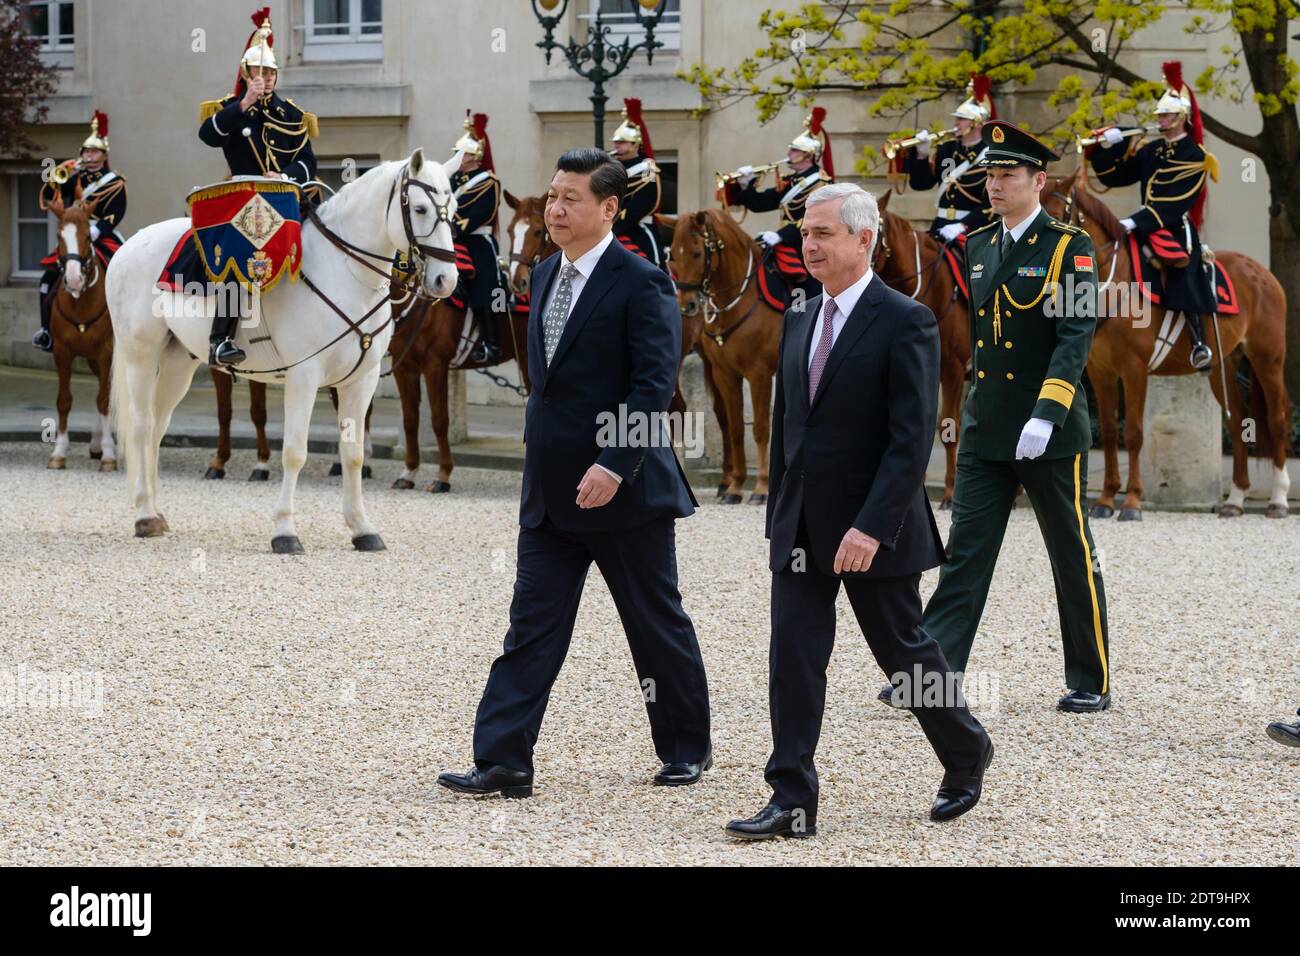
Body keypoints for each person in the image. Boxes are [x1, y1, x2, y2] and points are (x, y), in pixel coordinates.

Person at [437, 149, 711, 798]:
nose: (555, 209)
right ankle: (503, 760)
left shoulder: (641, 282)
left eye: (570, 199)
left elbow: (653, 386)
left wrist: (615, 464)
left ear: (609, 209)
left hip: (628, 493)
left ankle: (685, 749)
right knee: (529, 629)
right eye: (553, 195)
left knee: (654, 624)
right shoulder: (544, 273)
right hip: (550, 497)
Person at [724, 183, 994, 841]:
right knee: (793, 658)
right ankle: (790, 800)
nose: (807, 245)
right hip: (800, 530)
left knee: (904, 657)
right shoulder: (795, 317)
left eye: (822, 234)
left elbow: (911, 439)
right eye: (805, 234)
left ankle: (965, 752)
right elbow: (790, 429)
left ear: (863, 240)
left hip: (877, 528)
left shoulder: (906, 320)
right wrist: (778, 521)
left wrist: (871, 526)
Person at [879, 121, 1112, 714]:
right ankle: (931, 671)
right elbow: (982, 342)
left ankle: (1090, 677)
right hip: (988, 429)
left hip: (1048, 430)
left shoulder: (1070, 248)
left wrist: (1048, 411)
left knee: (1070, 550)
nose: (995, 185)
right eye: (989, 175)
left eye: (1008, 175)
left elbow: (1075, 336)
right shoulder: (979, 247)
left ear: (1038, 181)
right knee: (966, 551)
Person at [196, 7, 319, 367]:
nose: (263, 77)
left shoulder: (293, 116)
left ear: (277, 76)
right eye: (257, 71)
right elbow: (207, 136)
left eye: (269, 72)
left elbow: (307, 161)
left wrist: (286, 177)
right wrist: (245, 102)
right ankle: (220, 339)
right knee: (239, 251)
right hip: (244, 200)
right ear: (246, 73)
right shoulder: (229, 109)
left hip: (285, 197)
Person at [1086, 60, 1219, 371]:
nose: (1161, 118)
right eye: (1159, 114)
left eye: (1167, 114)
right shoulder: (1151, 150)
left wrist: (1137, 221)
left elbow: (1177, 202)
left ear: (1182, 117)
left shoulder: (1198, 157)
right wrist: (1108, 148)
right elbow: (1116, 177)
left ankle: (1199, 343)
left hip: (1172, 226)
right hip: (1144, 224)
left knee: (1181, 267)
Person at [33, 111, 127, 353]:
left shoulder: (115, 182)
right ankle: (45, 330)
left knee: (124, 272)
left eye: (94, 152)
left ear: (104, 155)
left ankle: (124, 328)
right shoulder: (72, 176)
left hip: (100, 233)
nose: (89, 155)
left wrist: (97, 230)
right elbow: (47, 195)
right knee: (46, 279)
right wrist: (56, 172)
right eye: (86, 152)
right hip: (73, 232)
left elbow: (117, 212)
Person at [726, 108, 834, 304]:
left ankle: (803, 316)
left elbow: (814, 221)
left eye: (794, 150)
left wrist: (781, 235)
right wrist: (746, 184)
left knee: (805, 280)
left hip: (808, 242)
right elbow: (761, 204)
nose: (788, 154)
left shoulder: (821, 184)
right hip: (787, 240)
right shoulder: (791, 181)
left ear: (808, 155)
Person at [899, 73, 995, 247]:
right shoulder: (947, 149)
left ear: (978, 123)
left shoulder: (991, 156)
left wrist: (963, 225)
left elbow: (992, 205)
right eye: (956, 118)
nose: (956, 123)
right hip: (940, 227)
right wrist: (921, 154)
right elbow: (921, 184)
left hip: (972, 231)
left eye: (962, 119)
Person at [449, 111, 507, 365]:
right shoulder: (451, 179)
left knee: (486, 290)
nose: (457, 158)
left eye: (462, 154)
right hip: (451, 238)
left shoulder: (489, 182)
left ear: (475, 157)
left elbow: (484, 211)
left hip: (477, 242)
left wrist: (457, 227)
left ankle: (492, 342)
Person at [609, 97, 665, 268]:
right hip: (607, 227)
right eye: (616, 142)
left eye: (622, 142)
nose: (616, 145)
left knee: (654, 266)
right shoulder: (609, 168)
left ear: (635, 145)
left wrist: (612, 227)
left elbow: (641, 206)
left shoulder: (646, 170)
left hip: (636, 228)